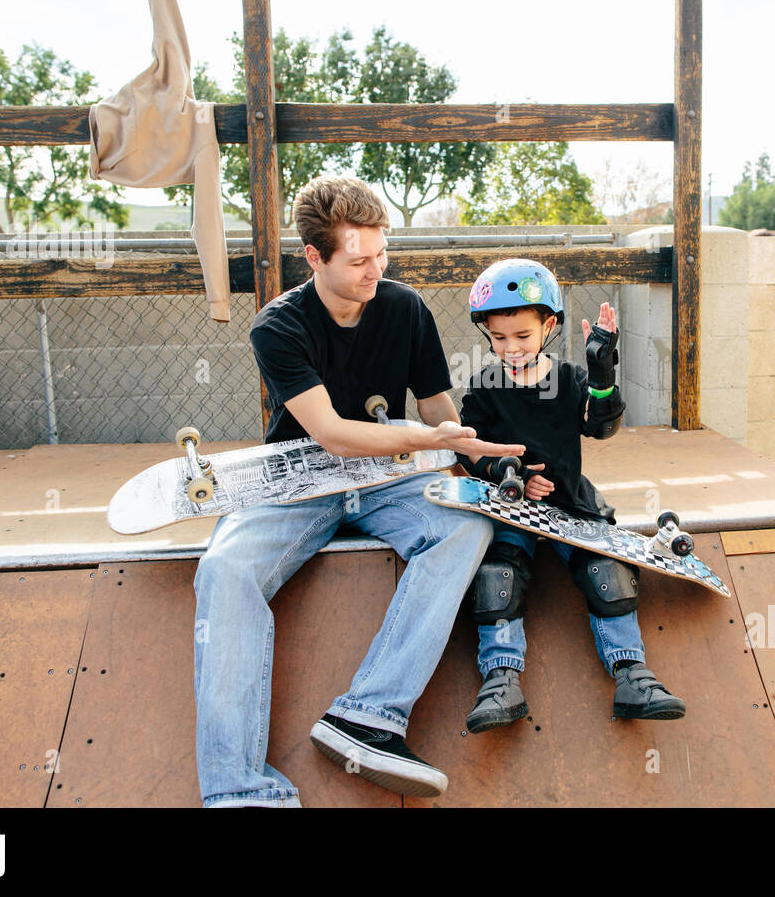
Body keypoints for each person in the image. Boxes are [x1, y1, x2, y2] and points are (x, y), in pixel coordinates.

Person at [191, 177, 523, 806]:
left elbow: (436, 407)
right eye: (359, 260)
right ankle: (238, 790)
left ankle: (369, 718)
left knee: (466, 525)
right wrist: (425, 438)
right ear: (315, 257)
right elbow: (333, 434)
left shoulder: (404, 308)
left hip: (387, 478)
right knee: (225, 569)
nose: (376, 271)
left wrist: (470, 454)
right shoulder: (277, 327)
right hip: (299, 478)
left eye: (382, 254)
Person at [454, 258, 686, 733]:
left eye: (522, 335)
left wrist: (601, 375)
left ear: (549, 327)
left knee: (607, 570)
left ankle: (632, 674)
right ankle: (501, 679)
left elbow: (601, 428)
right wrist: (505, 471)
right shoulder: (485, 387)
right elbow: (468, 449)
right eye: (498, 338)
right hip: (511, 507)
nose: (510, 348)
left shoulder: (567, 379)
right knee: (497, 576)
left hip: (570, 504)